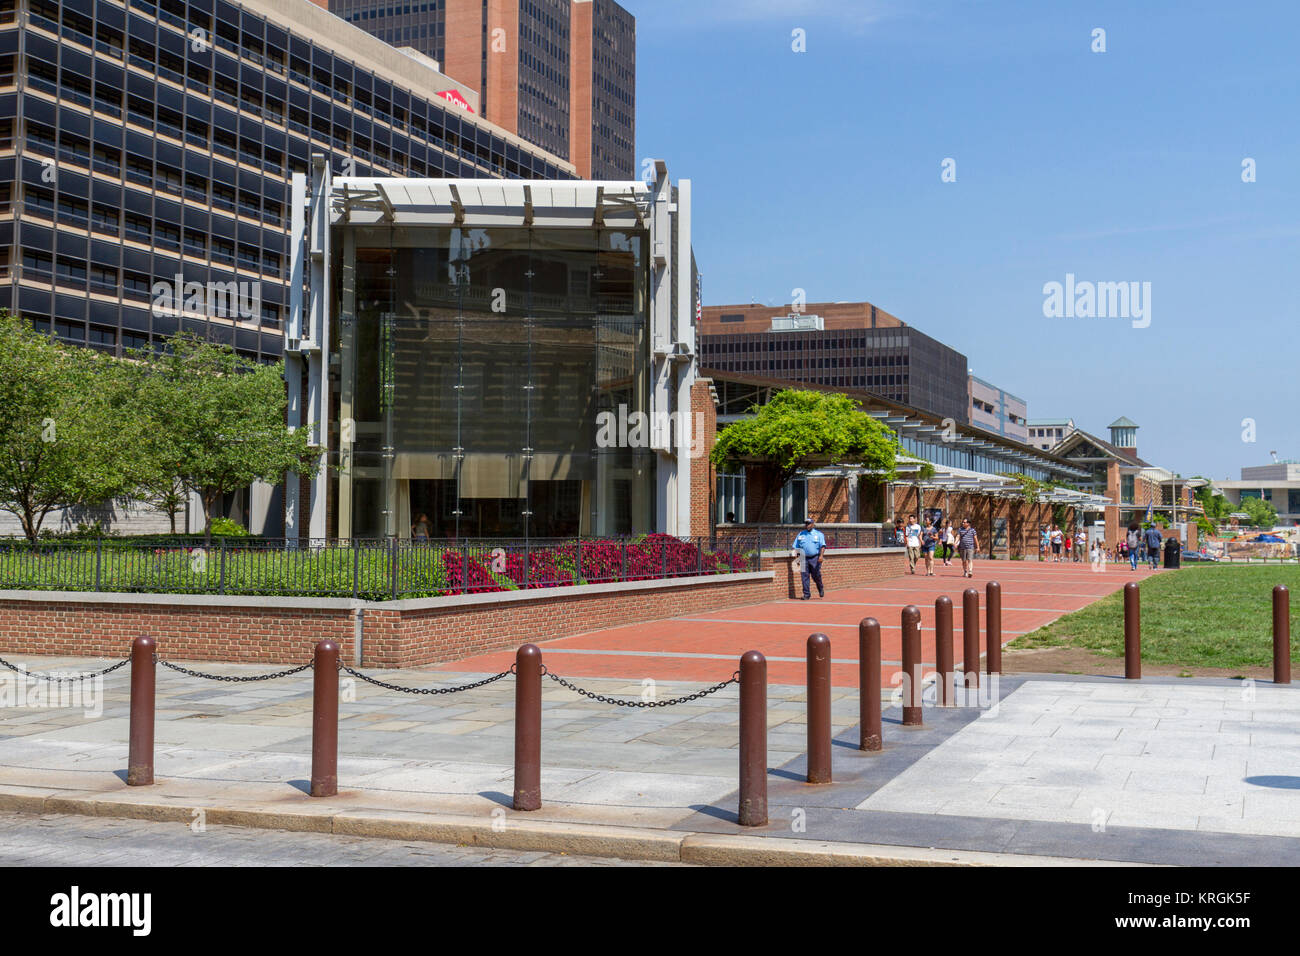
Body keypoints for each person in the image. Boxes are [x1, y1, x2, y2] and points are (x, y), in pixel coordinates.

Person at [791, 518, 827, 600]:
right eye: (806, 524)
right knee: (804, 576)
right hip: (803, 557)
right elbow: (796, 547)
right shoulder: (801, 534)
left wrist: (821, 556)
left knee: (816, 575)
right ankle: (806, 594)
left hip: (815, 558)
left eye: (809, 523)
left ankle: (820, 588)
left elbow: (823, 546)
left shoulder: (819, 534)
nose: (807, 525)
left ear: (813, 524)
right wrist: (797, 559)